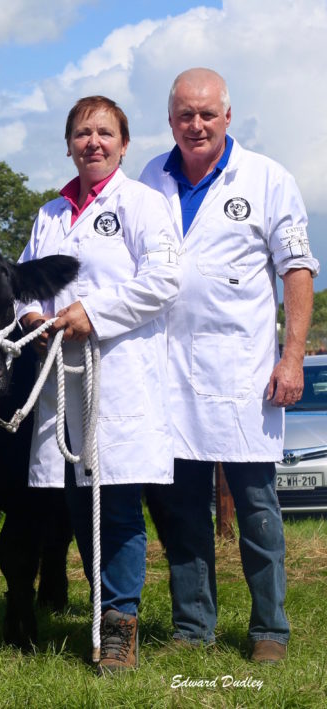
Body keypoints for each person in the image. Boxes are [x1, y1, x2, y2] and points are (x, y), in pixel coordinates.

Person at [139, 68, 318, 664]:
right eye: (185, 115)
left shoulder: (267, 179)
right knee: (183, 511)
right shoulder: (149, 179)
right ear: (170, 121)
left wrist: (291, 357)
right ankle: (194, 628)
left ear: (227, 117)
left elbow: (296, 269)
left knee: (259, 510)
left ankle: (270, 629)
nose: (196, 125)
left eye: (207, 114)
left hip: (246, 375)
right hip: (169, 374)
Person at [17, 96, 181, 675]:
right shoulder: (50, 214)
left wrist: (95, 313)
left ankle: (120, 623)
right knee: (78, 498)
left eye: (104, 133)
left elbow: (164, 280)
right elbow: (24, 282)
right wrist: (34, 317)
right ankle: (103, 604)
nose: (93, 142)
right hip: (63, 377)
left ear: (124, 143)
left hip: (121, 374)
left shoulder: (144, 205)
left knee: (116, 503)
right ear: (68, 145)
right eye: (82, 133)